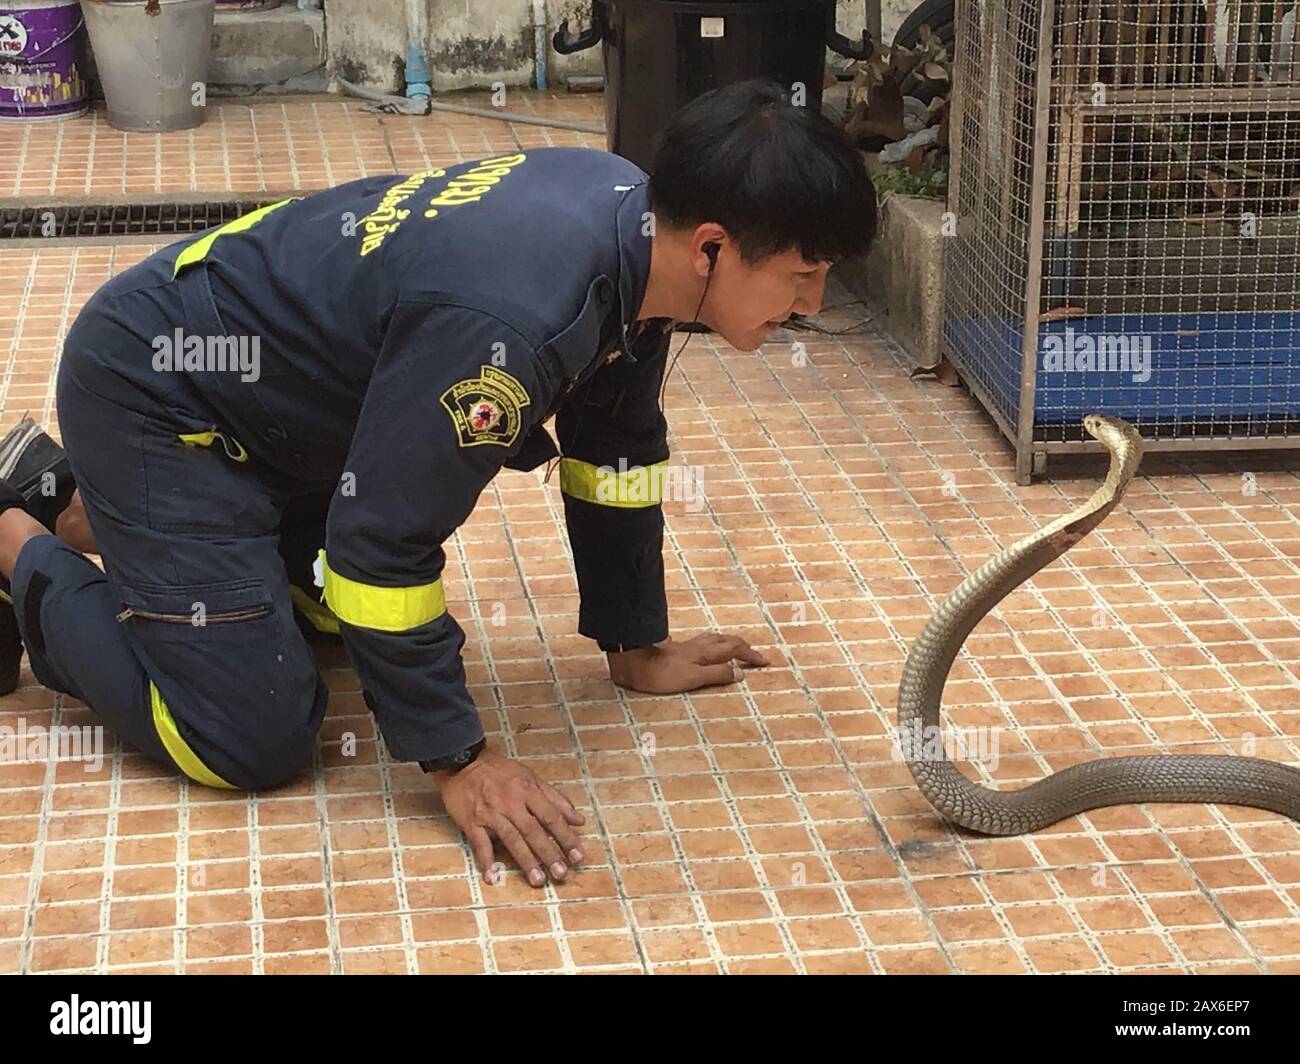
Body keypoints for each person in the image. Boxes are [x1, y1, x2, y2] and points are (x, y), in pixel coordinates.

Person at [0, 78, 877, 887]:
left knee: (318, 616)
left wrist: (634, 642)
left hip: (283, 411)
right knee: (249, 732)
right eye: (802, 276)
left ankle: (69, 493)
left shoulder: (638, 231)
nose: (811, 304)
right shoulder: (510, 321)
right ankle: (17, 538)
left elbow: (613, 447)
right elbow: (378, 544)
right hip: (160, 395)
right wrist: (457, 758)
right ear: (713, 249)